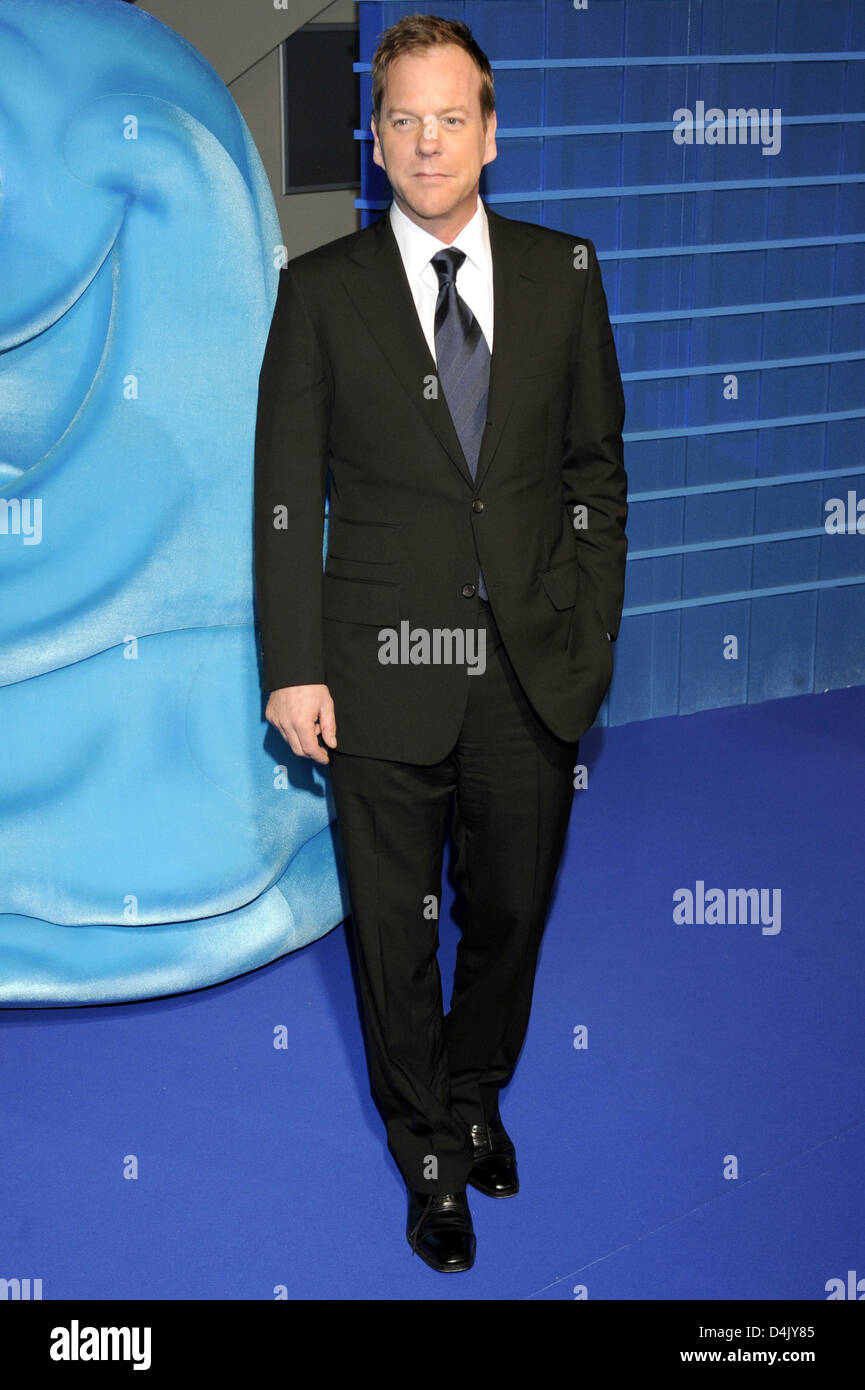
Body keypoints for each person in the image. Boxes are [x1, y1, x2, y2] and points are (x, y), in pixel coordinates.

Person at [253, 13, 627, 1274]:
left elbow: (596, 475)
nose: (425, 141)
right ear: (373, 139)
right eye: (400, 119)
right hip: (373, 673)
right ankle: (429, 1155)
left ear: (491, 132)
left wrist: (585, 630)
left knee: (509, 915)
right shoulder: (318, 293)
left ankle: (477, 1095)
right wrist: (292, 665)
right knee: (391, 936)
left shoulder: (565, 273)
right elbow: (285, 496)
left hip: (530, 668)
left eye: (449, 116)